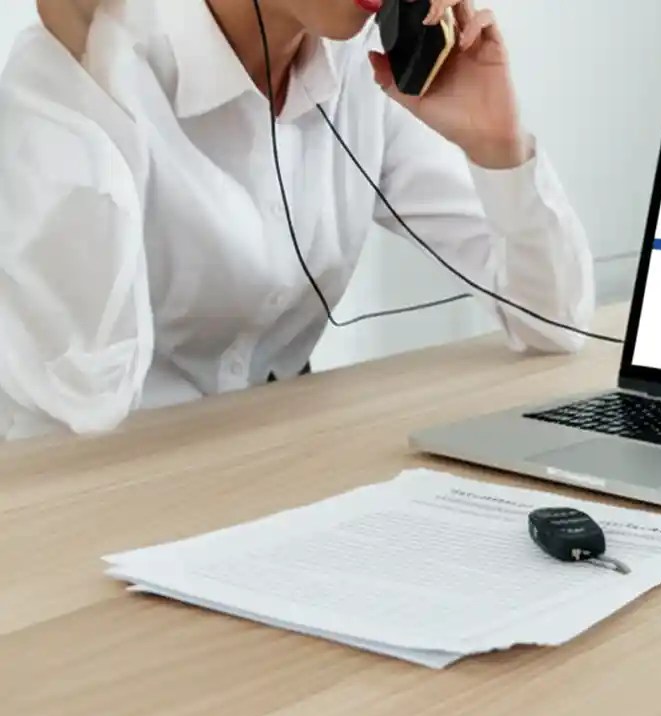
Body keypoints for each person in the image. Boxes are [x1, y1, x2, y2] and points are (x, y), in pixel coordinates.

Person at [0, 0, 595, 441]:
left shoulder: (361, 76)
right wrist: (87, 102)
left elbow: (554, 324)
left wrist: (498, 146)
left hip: (263, 473)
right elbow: (81, 401)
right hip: (88, 505)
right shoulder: (86, 63)